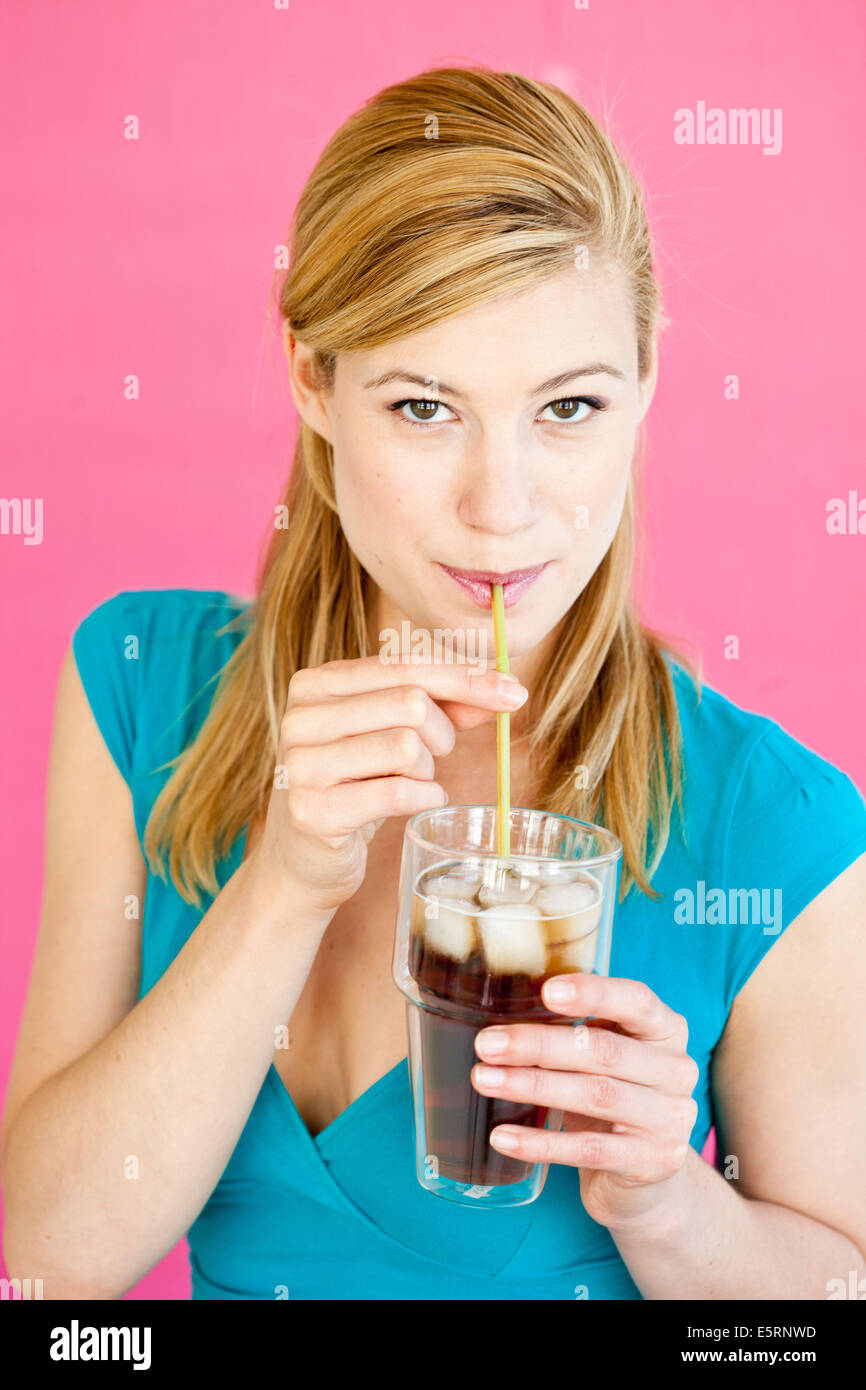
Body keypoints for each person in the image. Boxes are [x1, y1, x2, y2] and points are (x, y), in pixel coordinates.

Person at [3, 65, 865, 1301]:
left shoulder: (780, 828)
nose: (501, 508)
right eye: (422, 405)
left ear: (646, 381)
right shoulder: (141, 691)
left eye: (567, 405)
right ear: (312, 380)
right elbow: (54, 1264)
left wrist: (673, 1209)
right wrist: (285, 882)